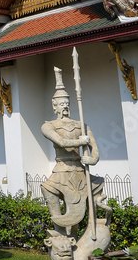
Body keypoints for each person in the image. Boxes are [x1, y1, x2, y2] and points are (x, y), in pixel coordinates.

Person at [40, 67, 109, 229]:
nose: (64, 106)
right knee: (47, 189)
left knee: (94, 199)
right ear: (54, 106)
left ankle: (95, 228)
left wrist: (92, 159)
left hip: (79, 169)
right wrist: (81, 141)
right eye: (61, 104)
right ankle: (59, 228)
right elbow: (62, 142)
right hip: (62, 169)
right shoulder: (49, 126)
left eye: (66, 103)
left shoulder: (81, 125)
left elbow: (94, 147)